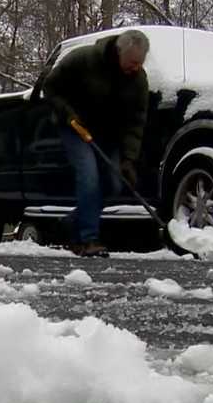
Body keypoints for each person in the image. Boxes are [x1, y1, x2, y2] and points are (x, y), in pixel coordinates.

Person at [42, 29, 150, 257]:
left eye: (140, 63)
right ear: (119, 52)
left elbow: (136, 121)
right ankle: (86, 239)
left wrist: (129, 159)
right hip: (74, 125)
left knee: (114, 183)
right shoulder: (84, 59)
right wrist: (67, 113)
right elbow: (50, 87)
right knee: (89, 175)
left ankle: (71, 223)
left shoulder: (138, 79)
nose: (136, 67)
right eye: (132, 62)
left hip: (106, 133)